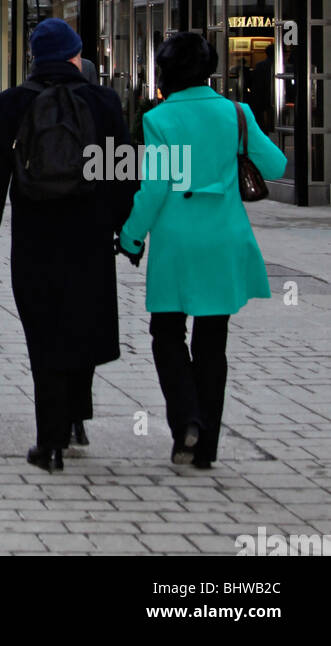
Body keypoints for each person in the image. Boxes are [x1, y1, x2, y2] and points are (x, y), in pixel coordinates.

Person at [0, 17, 134, 471]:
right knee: (83, 326)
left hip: (36, 238)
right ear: (75, 56)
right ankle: (76, 417)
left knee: (44, 336)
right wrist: (128, 230)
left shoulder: (10, 103)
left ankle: (51, 443)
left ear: (35, 58)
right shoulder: (102, 101)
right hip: (90, 239)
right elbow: (123, 172)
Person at [118, 32, 287, 469]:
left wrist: (132, 235)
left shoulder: (159, 119)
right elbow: (276, 166)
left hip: (177, 242)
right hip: (224, 239)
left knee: (167, 334)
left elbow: (154, 188)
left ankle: (185, 420)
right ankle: (206, 448)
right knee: (213, 342)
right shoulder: (236, 113)